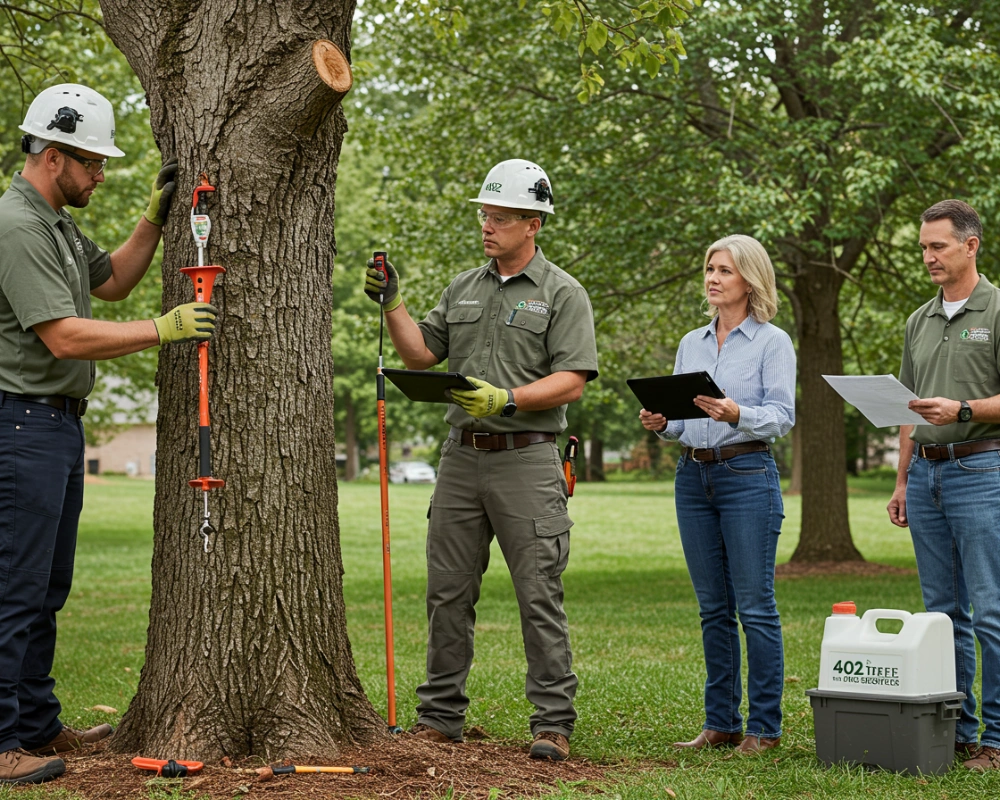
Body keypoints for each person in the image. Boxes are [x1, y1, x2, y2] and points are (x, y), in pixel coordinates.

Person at [0, 84, 218, 785]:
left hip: (54, 428)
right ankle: (2, 739)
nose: (100, 175)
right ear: (53, 154)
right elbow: (63, 337)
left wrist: (153, 221)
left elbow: (116, 281)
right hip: (20, 425)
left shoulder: (56, 223)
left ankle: (35, 724)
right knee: (13, 587)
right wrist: (165, 330)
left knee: (45, 587)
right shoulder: (17, 226)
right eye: (92, 163)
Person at [362, 159, 598, 761]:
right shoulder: (463, 287)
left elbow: (572, 380)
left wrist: (509, 399)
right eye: (484, 215)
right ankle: (440, 717)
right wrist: (393, 302)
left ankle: (552, 723)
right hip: (461, 459)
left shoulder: (562, 293)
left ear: (532, 223)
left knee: (537, 593)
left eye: (499, 217)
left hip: (528, 459)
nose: (487, 226)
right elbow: (419, 355)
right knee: (447, 593)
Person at [639, 234, 795, 754]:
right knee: (713, 609)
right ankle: (721, 723)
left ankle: (764, 729)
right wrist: (661, 423)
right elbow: (685, 425)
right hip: (693, 478)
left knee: (755, 608)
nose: (712, 278)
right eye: (709, 268)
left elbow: (782, 416)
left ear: (749, 280)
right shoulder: (692, 343)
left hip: (747, 474)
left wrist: (738, 414)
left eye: (724, 271)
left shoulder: (773, 342)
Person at [887, 199, 1000, 772]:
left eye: (938, 246)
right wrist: (902, 478)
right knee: (941, 615)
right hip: (926, 474)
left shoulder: (998, 310)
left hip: (982, 471)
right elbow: (908, 411)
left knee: (990, 612)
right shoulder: (918, 320)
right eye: (924, 247)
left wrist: (963, 406)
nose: (928, 257)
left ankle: (998, 741)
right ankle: (961, 732)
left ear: (970, 245)